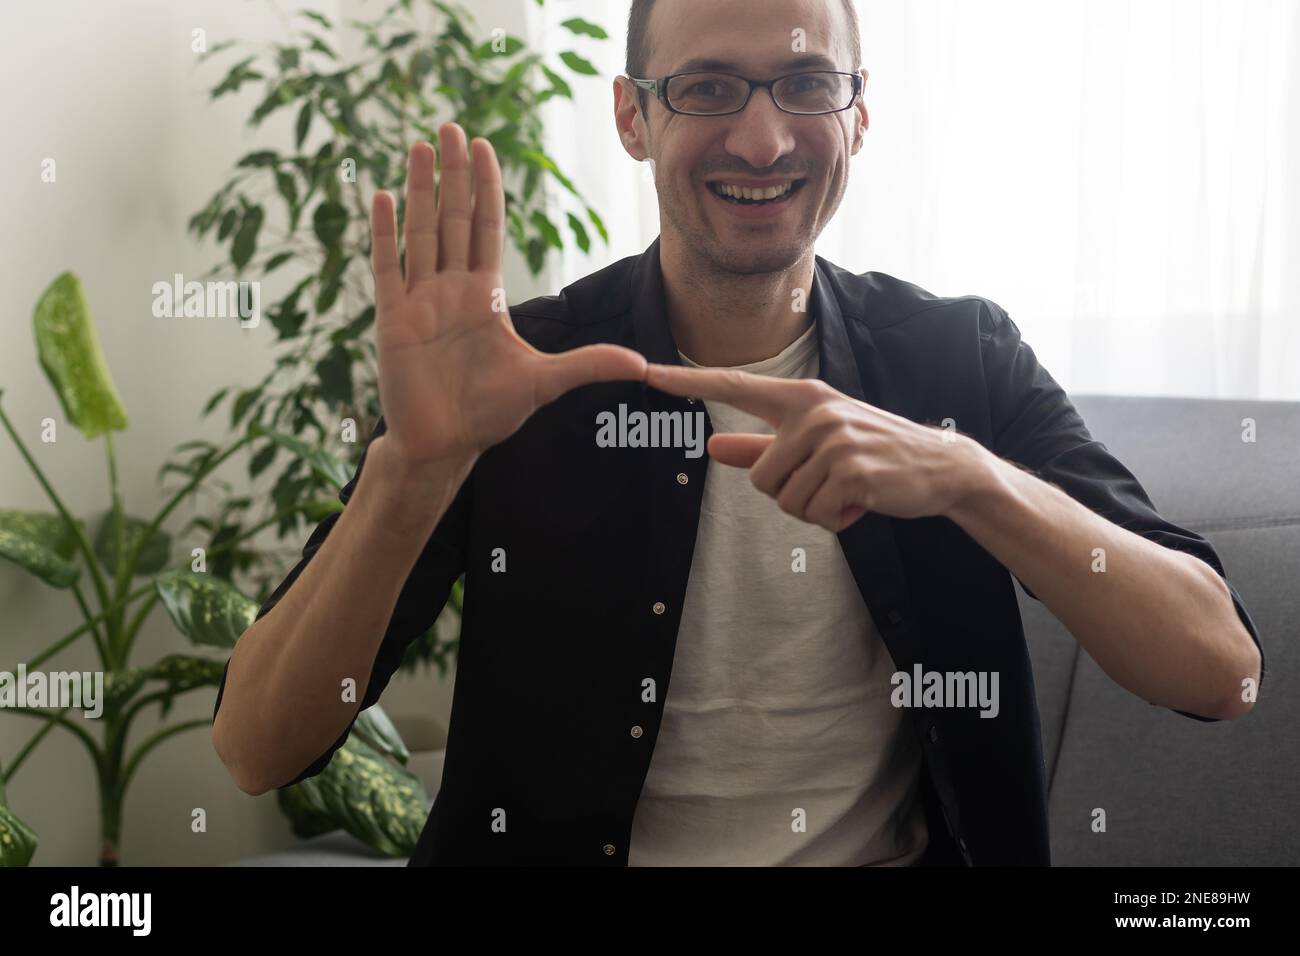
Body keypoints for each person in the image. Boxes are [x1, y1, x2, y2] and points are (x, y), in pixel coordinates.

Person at [212, 0, 1263, 866]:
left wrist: (964, 476)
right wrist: (413, 474)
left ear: (857, 114)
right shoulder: (512, 378)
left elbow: (1220, 668)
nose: (762, 139)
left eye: (806, 84)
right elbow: (258, 746)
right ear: (631, 117)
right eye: (707, 87)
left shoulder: (959, 359)